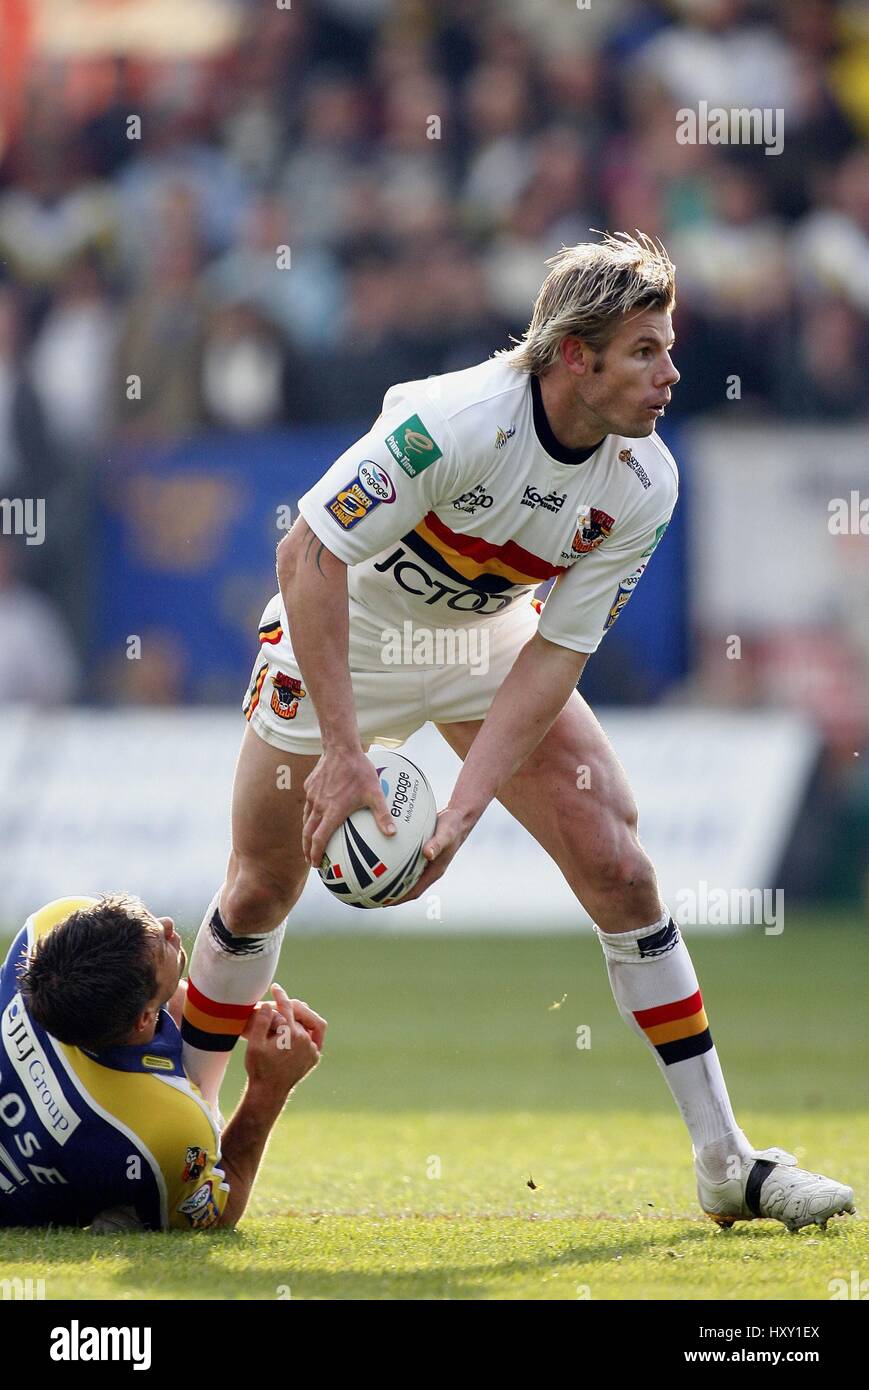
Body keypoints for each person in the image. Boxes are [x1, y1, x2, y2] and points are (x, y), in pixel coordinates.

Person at [181, 231, 853, 1232]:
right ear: (573, 355)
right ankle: (187, 1139)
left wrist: (461, 810)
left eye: (668, 348)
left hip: (487, 638)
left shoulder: (644, 481)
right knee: (258, 883)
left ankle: (724, 1160)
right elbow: (305, 555)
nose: (671, 373)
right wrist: (343, 746)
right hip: (348, 634)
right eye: (645, 351)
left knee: (617, 862)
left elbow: (552, 656)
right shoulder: (451, 423)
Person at [0, 894, 325, 1230]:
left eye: (145, 920)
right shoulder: (161, 1126)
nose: (167, 925)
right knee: (145, 1198)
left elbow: (152, 997)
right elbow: (214, 1215)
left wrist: (228, 1019)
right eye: (160, 949)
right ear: (143, 1019)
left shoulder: (52, 930)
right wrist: (268, 1089)